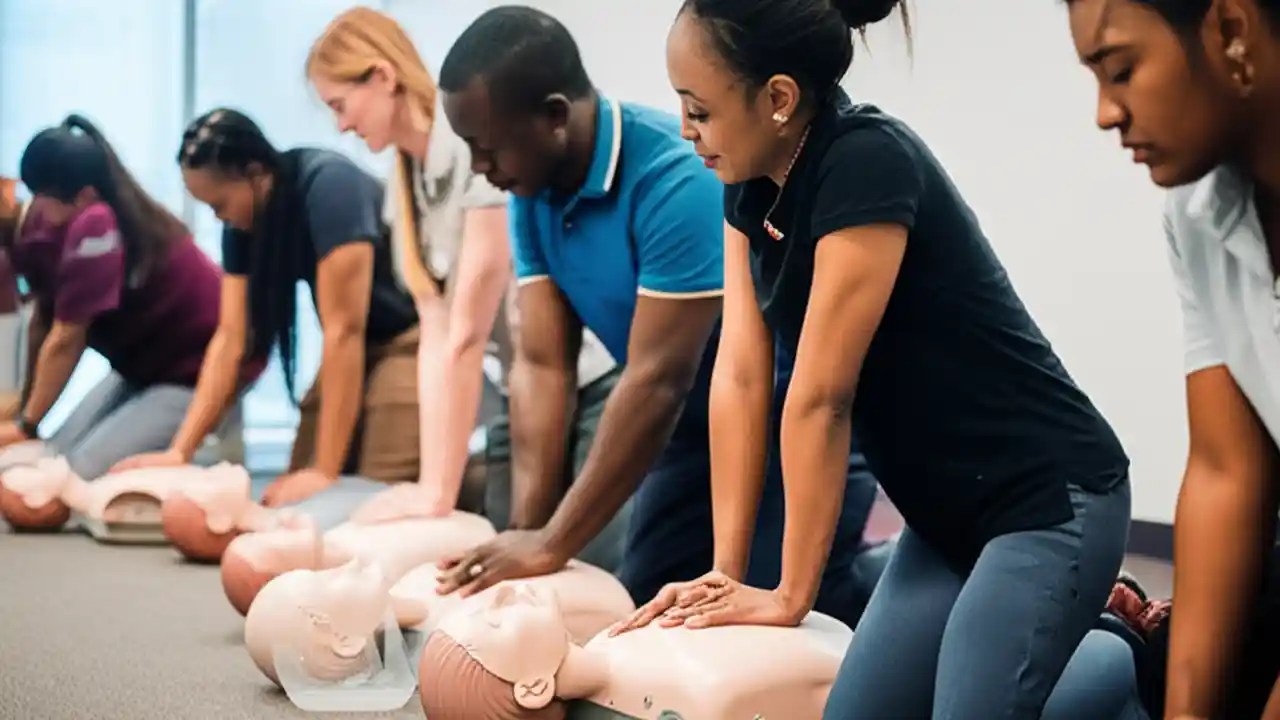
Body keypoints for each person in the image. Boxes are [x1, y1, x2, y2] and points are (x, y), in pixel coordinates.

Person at [614, 1, 1140, 718]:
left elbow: (820, 395)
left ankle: (1123, 656)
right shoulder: (745, 183)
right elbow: (740, 374)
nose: (684, 130)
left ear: (777, 99)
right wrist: (725, 574)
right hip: (944, 519)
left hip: (1049, 499)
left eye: (698, 109)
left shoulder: (866, 161)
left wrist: (790, 596)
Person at [429, 5, 886, 632]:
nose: (481, 169)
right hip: (687, 435)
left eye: (488, 148)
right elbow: (541, 366)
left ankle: (899, 580)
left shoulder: (676, 179)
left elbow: (657, 377)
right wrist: (528, 536)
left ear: (554, 118)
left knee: (797, 612)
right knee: (647, 609)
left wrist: (555, 541)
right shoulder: (529, 191)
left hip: (786, 424)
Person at [303, 7, 628, 570]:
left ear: (382, 77)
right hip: (524, 386)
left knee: (592, 562)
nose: (341, 127)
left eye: (340, 105)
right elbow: (436, 335)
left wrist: (435, 493)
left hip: (592, 377)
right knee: (504, 540)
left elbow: (466, 334)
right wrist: (433, 487)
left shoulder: (475, 149)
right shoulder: (402, 182)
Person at [1066, 0, 1280, 717]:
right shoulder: (1198, 212)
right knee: (1165, 674)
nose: (1105, 112)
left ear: (1229, 29)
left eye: (1121, 70)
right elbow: (1228, 469)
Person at [114, 109, 421, 507]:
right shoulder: (243, 223)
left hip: (409, 340)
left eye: (220, 203)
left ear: (256, 174)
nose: (218, 217)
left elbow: (344, 330)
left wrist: (325, 471)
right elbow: (230, 339)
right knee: (287, 501)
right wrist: (179, 451)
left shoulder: (330, 186)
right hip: (353, 346)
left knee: (373, 495)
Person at [0, 116, 261, 479]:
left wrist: (26, 423)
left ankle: (207, 476)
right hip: (144, 367)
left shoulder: (96, 223)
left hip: (198, 366)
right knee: (52, 460)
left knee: (79, 473)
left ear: (84, 194)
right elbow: (45, 324)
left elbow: (66, 339)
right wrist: (25, 413)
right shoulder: (44, 229)